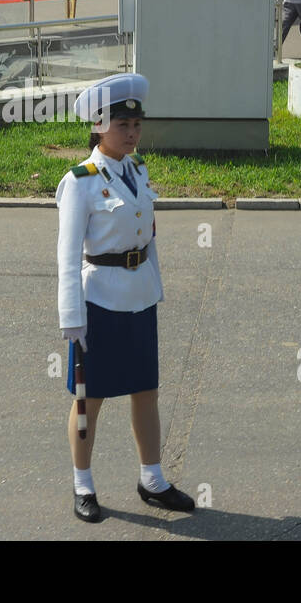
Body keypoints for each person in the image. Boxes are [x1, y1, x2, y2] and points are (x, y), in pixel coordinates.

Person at [55, 72, 196, 523]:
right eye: (122, 125)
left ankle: (152, 479)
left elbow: (149, 238)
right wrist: (71, 317)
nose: (132, 133)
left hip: (138, 298)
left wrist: (155, 285)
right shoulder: (79, 181)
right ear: (99, 127)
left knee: (145, 391)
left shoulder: (138, 171)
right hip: (98, 302)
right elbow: (67, 256)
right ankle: (83, 484)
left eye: (137, 125)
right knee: (87, 399)